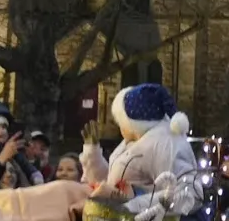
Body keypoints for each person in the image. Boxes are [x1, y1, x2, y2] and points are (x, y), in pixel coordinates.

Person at [80, 83, 201, 214]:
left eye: (120, 121)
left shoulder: (164, 143)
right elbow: (112, 183)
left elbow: (189, 194)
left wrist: (134, 203)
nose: (119, 127)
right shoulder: (132, 143)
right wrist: (93, 154)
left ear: (132, 123)